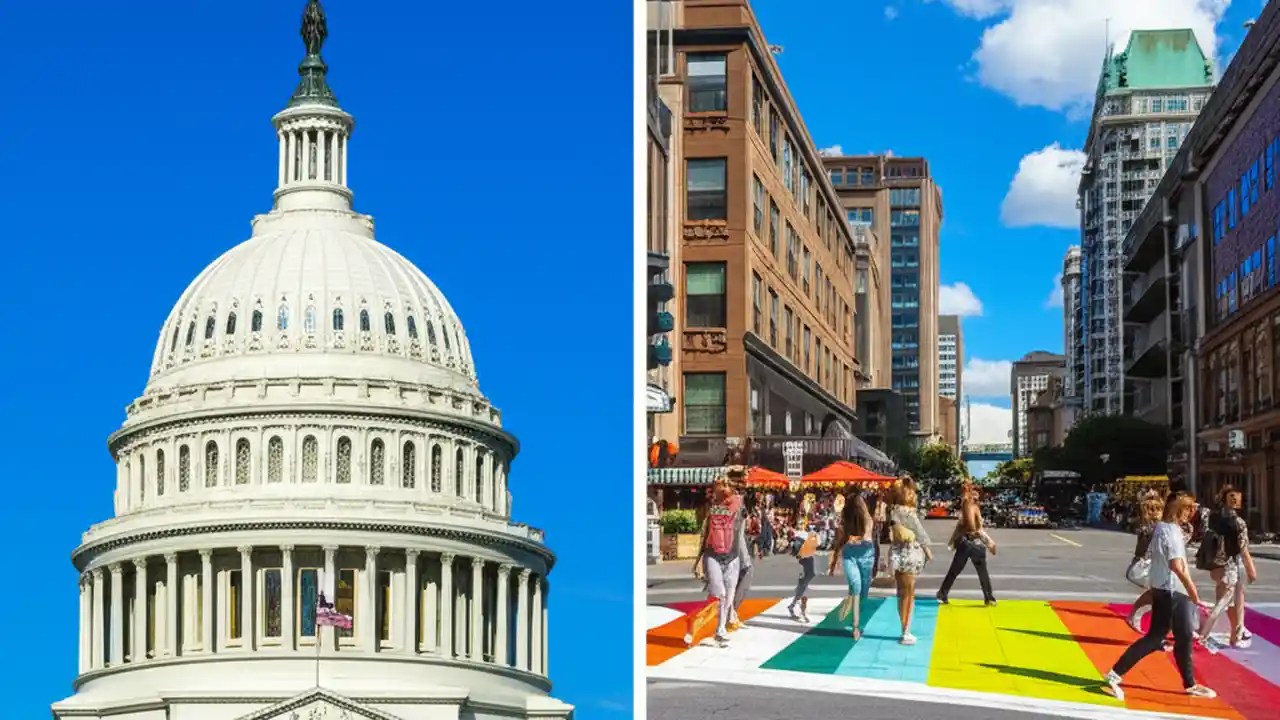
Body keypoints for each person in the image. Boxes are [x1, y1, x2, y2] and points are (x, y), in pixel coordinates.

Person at [1103, 492, 1216, 700]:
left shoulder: (1165, 529)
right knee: (1157, 637)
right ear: (1176, 508)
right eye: (1187, 508)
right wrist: (1192, 590)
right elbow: (1177, 565)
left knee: (1182, 637)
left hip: (1166, 588)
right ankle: (1115, 673)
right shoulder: (1171, 531)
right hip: (1172, 590)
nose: (1191, 513)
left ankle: (1189, 683)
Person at [1196, 486, 1257, 651]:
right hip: (1231, 566)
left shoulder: (1212, 517)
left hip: (1215, 565)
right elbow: (1243, 550)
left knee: (1229, 601)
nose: (1236, 500)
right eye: (1233, 497)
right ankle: (1203, 633)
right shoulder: (1238, 523)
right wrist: (1251, 569)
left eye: (1238, 497)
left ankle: (1235, 635)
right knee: (1225, 603)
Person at [691, 478, 745, 646]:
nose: (725, 488)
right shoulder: (709, 507)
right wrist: (698, 560)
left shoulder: (738, 504)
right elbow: (704, 535)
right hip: (712, 554)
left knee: (728, 597)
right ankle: (695, 624)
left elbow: (741, 498)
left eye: (728, 485)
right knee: (718, 594)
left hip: (732, 557)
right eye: (721, 486)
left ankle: (720, 629)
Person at [936, 484, 998, 606]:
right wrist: (987, 540)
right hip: (971, 542)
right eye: (974, 491)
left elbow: (963, 526)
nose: (977, 494)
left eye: (978, 491)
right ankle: (988, 597)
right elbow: (971, 527)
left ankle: (943, 593)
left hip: (971, 542)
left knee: (966, 570)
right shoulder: (969, 505)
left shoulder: (972, 505)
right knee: (961, 569)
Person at [888, 478, 932, 645]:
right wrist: (928, 550)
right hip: (910, 553)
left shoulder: (894, 511)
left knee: (901, 593)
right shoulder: (908, 511)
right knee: (909, 594)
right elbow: (919, 532)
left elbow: (894, 530)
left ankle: (904, 628)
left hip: (898, 553)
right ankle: (906, 631)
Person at [829, 493, 876, 639]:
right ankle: (856, 626)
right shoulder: (847, 521)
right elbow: (841, 540)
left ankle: (856, 616)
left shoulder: (867, 519)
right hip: (850, 554)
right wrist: (834, 560)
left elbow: (866, 533)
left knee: (863, 592)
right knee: (856, 586)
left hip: (866, 556)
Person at [1124, 491, 1164, 631]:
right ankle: (1135, 615)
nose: (1155, 513)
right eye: (1151, 510)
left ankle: (1140, 616)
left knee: (1160, 593)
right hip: (1143, 566)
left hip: (1149, 565)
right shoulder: (1147, 528)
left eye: (1158, 509)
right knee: (1159, 591)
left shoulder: (1154, 527)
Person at [786, 525, 820, 623]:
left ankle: (793, 606)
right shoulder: (796, 541)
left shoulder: (800, 536)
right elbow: (797, 554)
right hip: (804, 563)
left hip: (807, 563)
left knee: (803, 586)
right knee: (803, 589)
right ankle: (802, 612)